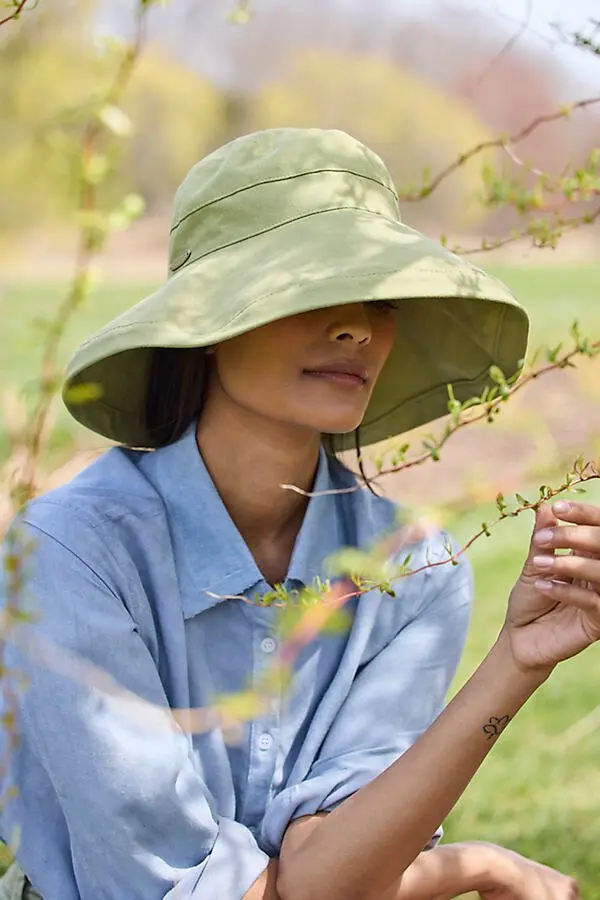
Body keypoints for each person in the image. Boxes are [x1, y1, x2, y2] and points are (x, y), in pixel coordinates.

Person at [0, 127, 596, 900]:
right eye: (309, 286)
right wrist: (467, 865)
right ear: (204, 321)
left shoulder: (414, 569)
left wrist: (519, 662)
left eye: (378, 296)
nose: (357, 327)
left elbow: (329, 872)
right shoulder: (70, 554)